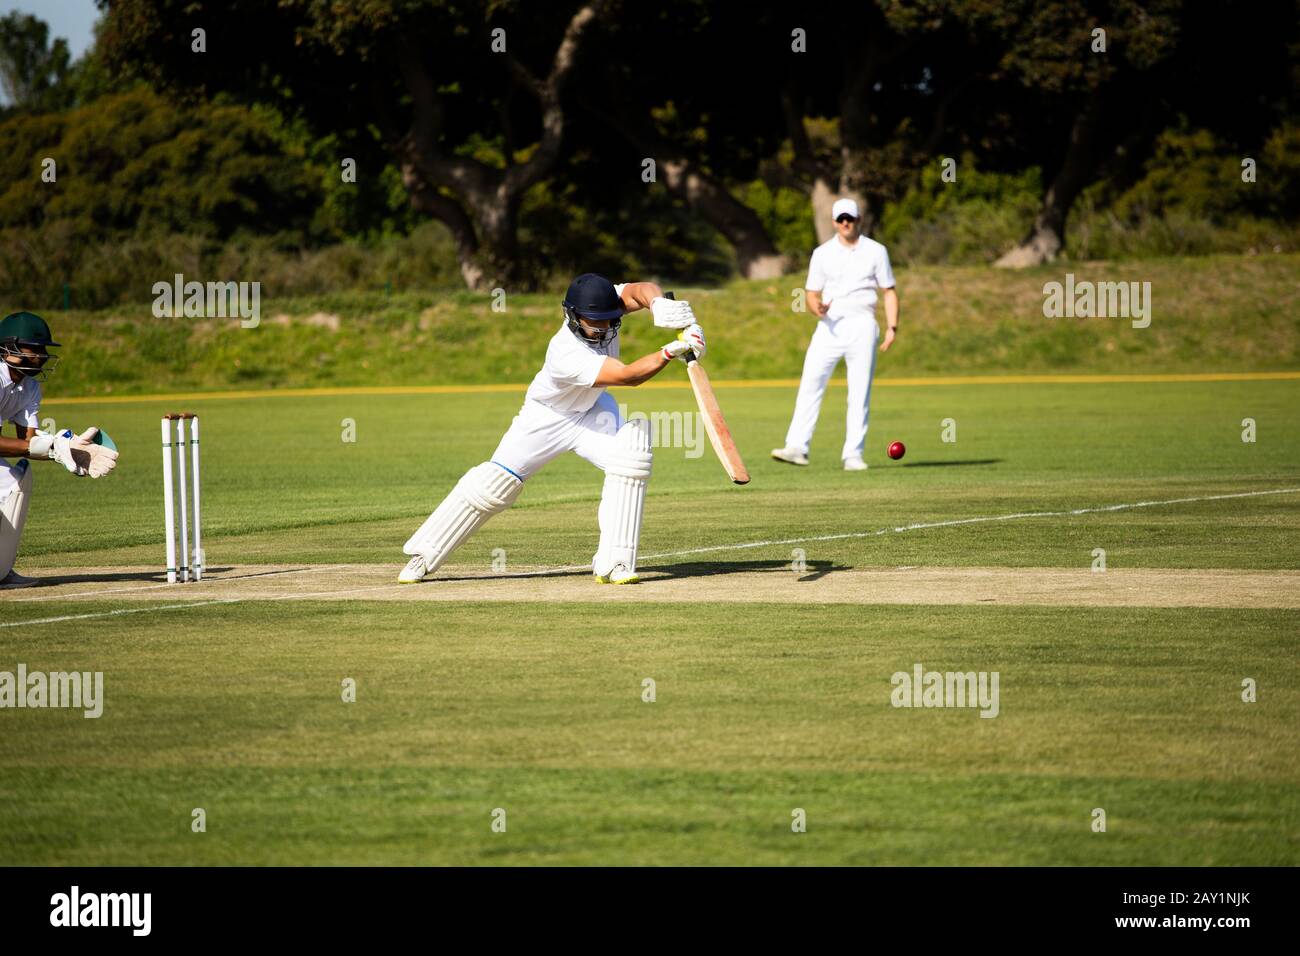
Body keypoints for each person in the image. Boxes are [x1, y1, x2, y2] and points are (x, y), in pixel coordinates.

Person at [398, 274, 705, 585]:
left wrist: (658, 305)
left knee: (631, 453)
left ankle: (615, 563)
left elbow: (639, 290)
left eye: (609, 320)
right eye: (594, 323)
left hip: (592, 410)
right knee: (493, 486)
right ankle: (424, 554)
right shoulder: (565, 353)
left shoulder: (604, 305)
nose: (603, 328)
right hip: (546, 418)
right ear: (572, 316)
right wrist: (671, 351)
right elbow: (628, 376)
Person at [772, 198, 899, 471]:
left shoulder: (876, 251)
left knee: (859, 391)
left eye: (849, 218)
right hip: (829, 327)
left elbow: (888, 291)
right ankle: (797, 447)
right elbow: (811, 293)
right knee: (811, 383)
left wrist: (892, 327)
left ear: (858, 220)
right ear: (833, 222)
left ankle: (853, 454)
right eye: (841, 219)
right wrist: (816, 307)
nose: (845, 223)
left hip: (863, 324)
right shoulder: (822, 253)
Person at [0, 311, 119, 589]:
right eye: (34, 349)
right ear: (8, 348)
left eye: (43, 350)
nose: (41, 356)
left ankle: (2, 569)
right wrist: (53, 447)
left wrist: (66, 447)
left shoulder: (29, 387)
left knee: (16, 483)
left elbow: (27, 442)